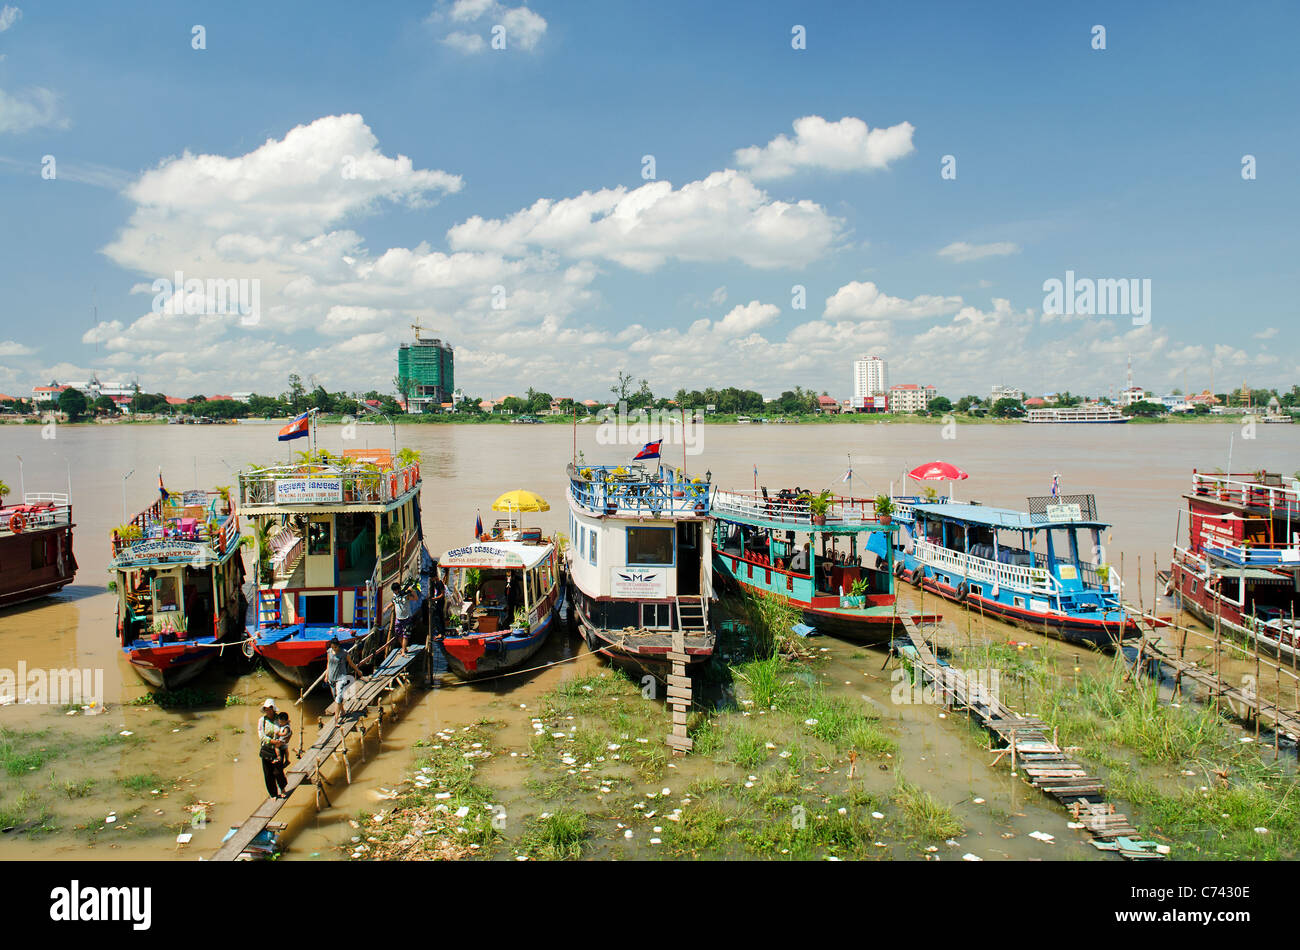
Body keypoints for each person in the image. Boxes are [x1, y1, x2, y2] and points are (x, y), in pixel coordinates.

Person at [325, 637, 365, 727]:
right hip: (331, 677)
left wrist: (358, 671)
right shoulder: (329, 652)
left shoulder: (344, 653)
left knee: (338, 697)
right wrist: (326, 676)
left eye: (335, 647)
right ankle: (342, 711)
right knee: (335, 697)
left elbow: (350, 663)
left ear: (338, 646)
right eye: (332, 647)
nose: (334, 649)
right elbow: (328, 664)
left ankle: (336, 719)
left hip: (341, 677)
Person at [257, 699, 288, 798]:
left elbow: (286, 729)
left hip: (278, 748)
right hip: (267, 748)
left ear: (273, 709)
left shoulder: (279, 719)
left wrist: (281, 740)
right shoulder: (262, 721)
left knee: (278, 771)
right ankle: (273, 794)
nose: (268, 710)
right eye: (266, 709)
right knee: (268, 773)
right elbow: (261, 736)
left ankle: (282, 788)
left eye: (270, 708)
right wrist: (272, 741)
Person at [391, 580, 419, 657]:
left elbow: (416, 598)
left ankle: (403, 651)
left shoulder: (405, 596)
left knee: (406, 635)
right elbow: (393, 602)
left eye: (396, 590)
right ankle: (404, 648)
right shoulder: (395, 596)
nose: (395, 592)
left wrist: (412, 590)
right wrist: (387, 607)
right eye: (394, 591)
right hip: (398, 618)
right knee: (398, 634)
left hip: (407, 618)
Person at [428, 566, 447, 641]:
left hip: (440, 602)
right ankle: (440, 633)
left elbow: (442, 594)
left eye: (432, 578)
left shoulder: (439, 583)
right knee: (437, 618)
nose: (432, 580)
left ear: (435, 577)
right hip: (436, 602)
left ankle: (441, 633)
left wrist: (434, 599)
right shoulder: (434, 584)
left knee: (439, 618)